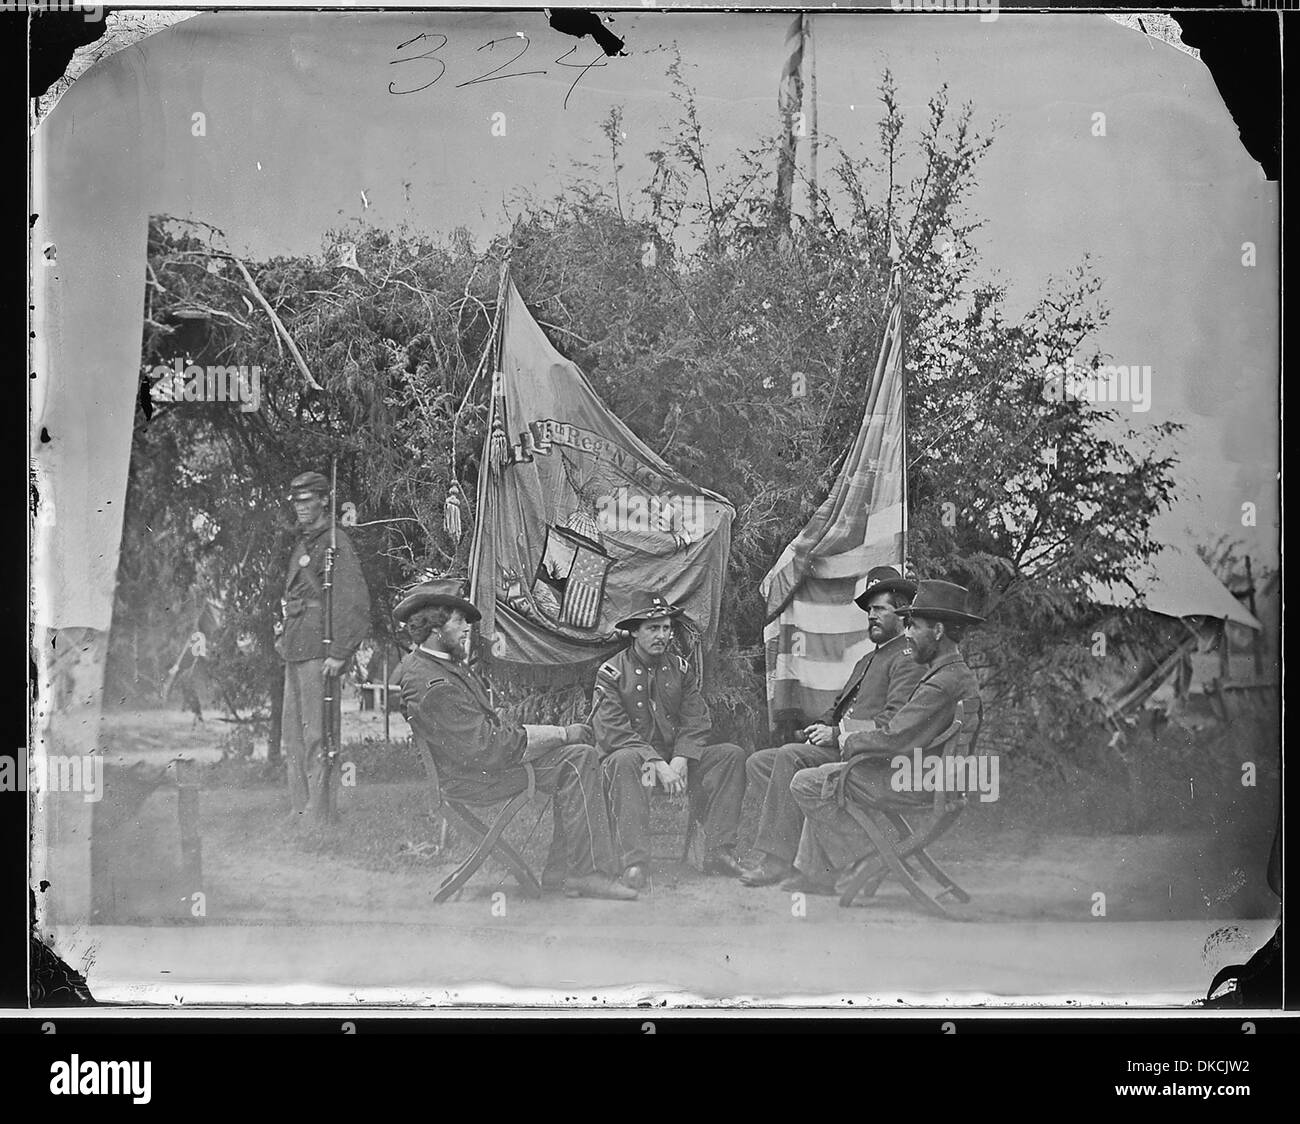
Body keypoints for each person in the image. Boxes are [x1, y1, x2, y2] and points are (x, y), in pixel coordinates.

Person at [392, 579, 637, 901]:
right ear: (435, 628)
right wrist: (561, 734)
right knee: (580, 758)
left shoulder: (432, 666)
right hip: (474, 779)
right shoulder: (435, 683)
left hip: (472, 769)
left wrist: (556, 738)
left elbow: (483, 738)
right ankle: (587, 874)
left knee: (576, 755)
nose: (468, 628)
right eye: (459, 620)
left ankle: (563, 872)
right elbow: (487, 747)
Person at [787, 580, 983, 894]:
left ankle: (870, 856)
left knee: (807, 782)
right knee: (823, 777)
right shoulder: (956, 675)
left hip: (911, 782)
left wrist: (845, 742)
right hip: (930, 777)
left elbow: (894, 738)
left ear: (938, 631)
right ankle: (819, 872)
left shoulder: (941, 683)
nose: (907, 634)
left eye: (914, 627)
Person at [739, 566, 923, 887]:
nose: (871, 617)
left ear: (903, 613)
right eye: (869, 611)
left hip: (870, 760)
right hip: (844, 751)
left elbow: (891, 724)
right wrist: (820, 729)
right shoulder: (867, 660)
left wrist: (836, 735)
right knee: (760, 764)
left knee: (787, 759)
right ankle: (814, 865)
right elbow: (838, 708)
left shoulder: (906, 659)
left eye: (879, 609)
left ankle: (778, 860)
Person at [592, 594, 747, 890]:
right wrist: (657, 763)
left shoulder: (680, 668)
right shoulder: (611, 673)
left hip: (676, 765)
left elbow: (696, 719)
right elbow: (614, 732)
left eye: (666, 628)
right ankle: (634, 861)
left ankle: (718, 851)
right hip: (635, 767)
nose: (662, 635)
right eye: (653, 628)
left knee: (730, 755)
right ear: (634, 631)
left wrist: (682, 757)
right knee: (624, 760)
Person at [277, 471, 370, 819]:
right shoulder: (304, 544)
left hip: (320, 650)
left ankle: (318, 813)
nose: (301, 508)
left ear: (323, 501)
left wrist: (339, 653)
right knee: (294, 736)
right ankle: (299, 809)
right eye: (296, 502)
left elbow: (354, 601)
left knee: (317, 735)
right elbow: (292, 598)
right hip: (296, 646)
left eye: (307, 500)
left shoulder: (335, 543)